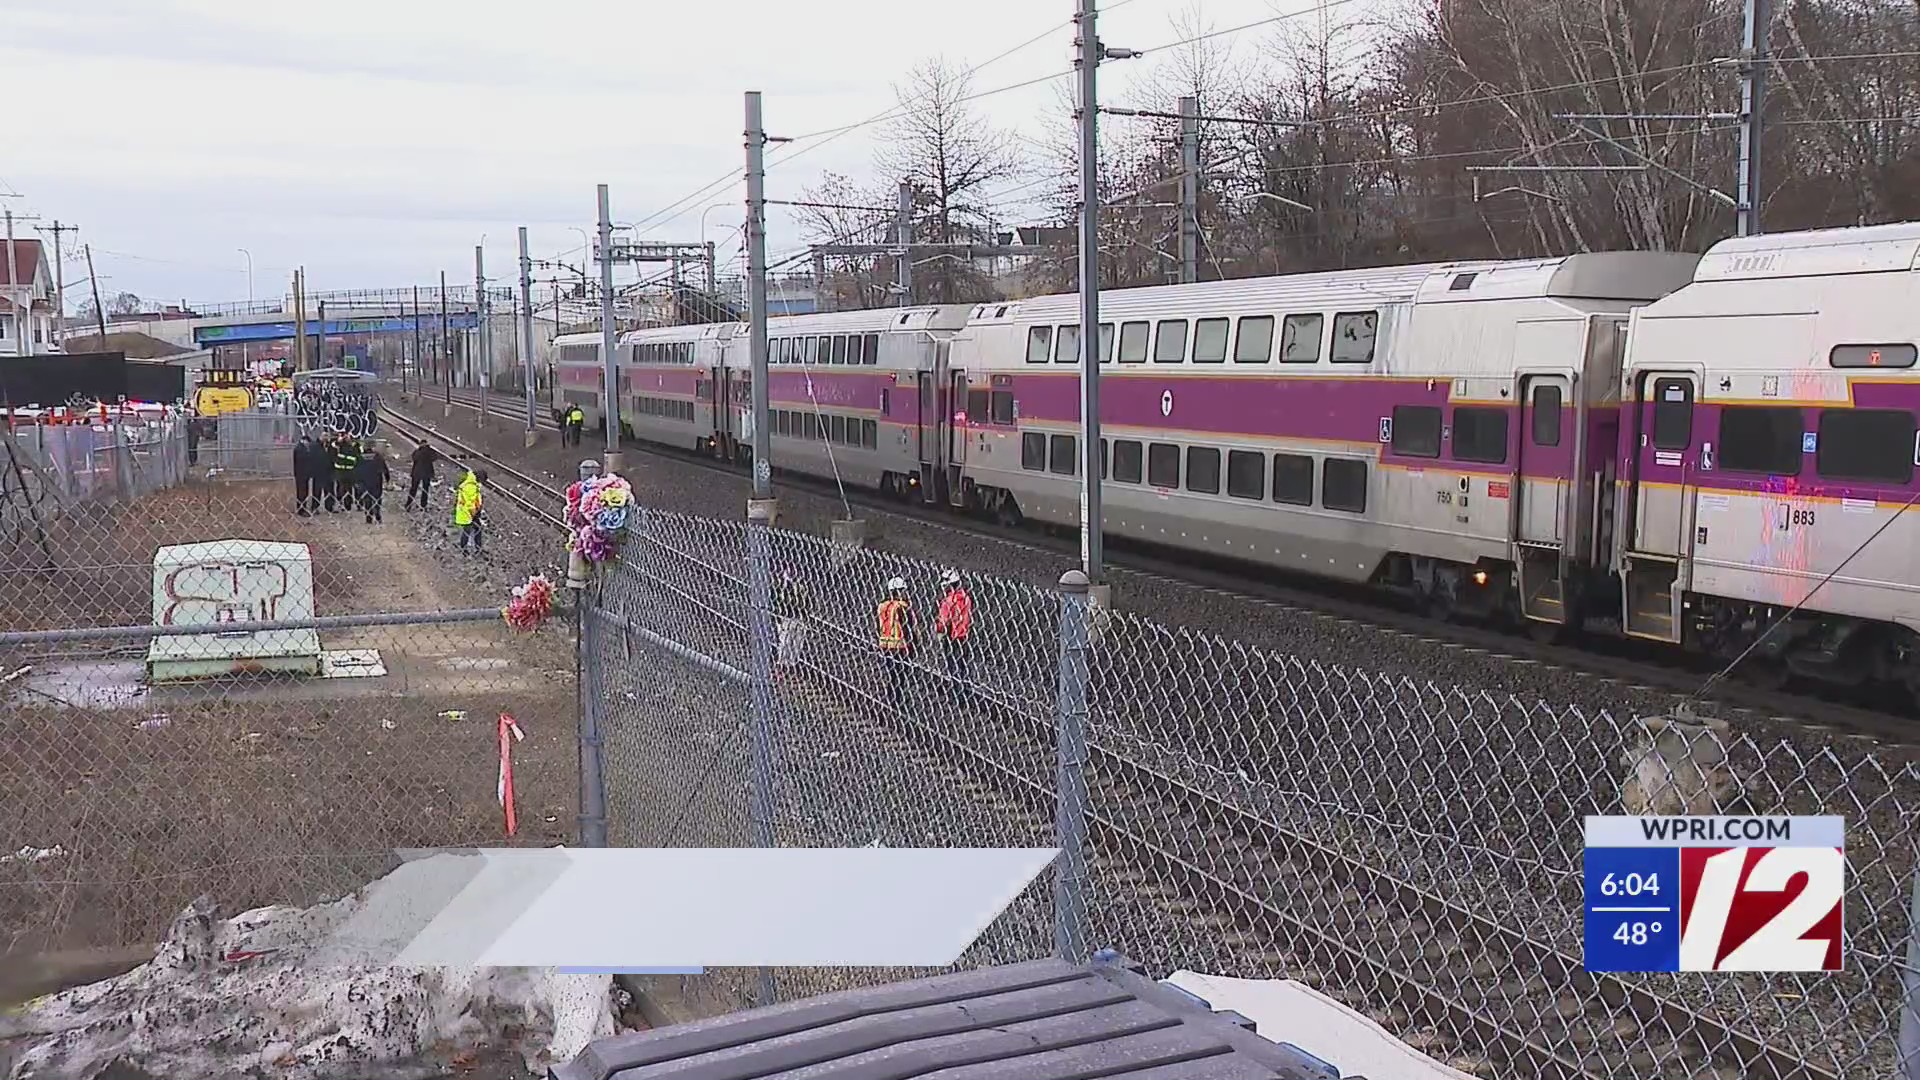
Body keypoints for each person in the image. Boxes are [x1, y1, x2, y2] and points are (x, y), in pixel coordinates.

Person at [933, 568, 975, 705]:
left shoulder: (949, 601)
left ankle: (956, 696)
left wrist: (938, 633)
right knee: (962, 665)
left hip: (951, 636)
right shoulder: (967, 598)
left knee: (952, 666)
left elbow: (943, 621)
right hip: (964, 634)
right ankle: (964, 694)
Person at [875, 576, 917, 709]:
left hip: (885, 645)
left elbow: (878, 626)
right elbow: (909, 627)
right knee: (900, 676)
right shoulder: (902, 607)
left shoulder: (882, 606)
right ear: (898, 591)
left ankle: (891, 699)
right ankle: (897, 701)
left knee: (892, 675)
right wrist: (914, 644)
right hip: (900, 646)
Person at [774, 569, 812, 679]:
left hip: (800, 617)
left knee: (796, 645)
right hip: (786, 617)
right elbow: (780, 601)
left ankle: (790, 669)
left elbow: (806, 601)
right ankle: (781, 667)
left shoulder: (803, 585)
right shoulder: (782, 585)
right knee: (784, 644)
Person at [355, 440, 391, 524]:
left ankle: (368, 516)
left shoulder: (360, 457)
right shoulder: (378, 456)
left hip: (365, 481)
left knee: (367, 499)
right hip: (376, 480)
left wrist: (357, 481)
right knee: (377, 498)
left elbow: (356, 470)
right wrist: (387, 478)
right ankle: (377, 514)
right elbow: (384, 468)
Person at [453, 467, 487, 554]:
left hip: (469, 511)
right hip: (468, 512)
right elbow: (470, 503)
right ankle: (465, 549)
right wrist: (474, 513)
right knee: (468, 530)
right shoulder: (470, 486)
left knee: (475, 529)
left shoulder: (471, 483)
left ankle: (475, 548)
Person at [406, 439, 441, 511]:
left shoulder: (418, 451)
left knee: (413, 489)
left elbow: (414, 458)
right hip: (427, 473)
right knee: (425, 490)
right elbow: (435, 457)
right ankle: (423, 505)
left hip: (417, 473)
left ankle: (408, 504)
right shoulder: (430, 451)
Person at [331, 434, 361, 512]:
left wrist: (353, 443)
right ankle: (341, 503)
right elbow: (332, 448)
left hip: (351, 471)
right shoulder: (339, 445)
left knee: (351, 488)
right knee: (341, 488)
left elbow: (360, 453)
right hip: (340, 471)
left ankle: (350, 505)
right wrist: (338, 441)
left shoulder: (355, 446)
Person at [292, 435, 316, 516]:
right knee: (301, 492)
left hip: (305, 474)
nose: (308, 444)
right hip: (301, 474)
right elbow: (301, 461)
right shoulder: (299, 449)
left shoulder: (304, 448)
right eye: (307, 442)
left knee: (305, 492)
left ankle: (303, 508)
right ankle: (301, 509)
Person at [317, 434, 339, 512]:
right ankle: (315, 507)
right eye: (324, 436)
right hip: (319, 471)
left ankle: (330, 506)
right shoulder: (317, 446)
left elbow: (335, 457)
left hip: (329, 471)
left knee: (330, 489)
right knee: (317, 490)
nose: (326, 438)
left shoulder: (332, 447)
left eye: (327, 436)